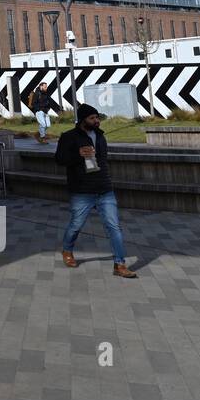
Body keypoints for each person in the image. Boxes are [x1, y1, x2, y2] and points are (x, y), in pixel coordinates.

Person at [56, 103, 137, 278]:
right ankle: (67, 250)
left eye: (97, 117)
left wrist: (106, 180)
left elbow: (103, 160)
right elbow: (60, 159)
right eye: (92, 118)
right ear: (83, 120)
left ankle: (119, 264)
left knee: (114, 226)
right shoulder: (69, 136)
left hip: (104, 189)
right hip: (82, 191)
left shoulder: (100, 136)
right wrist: (78, 154)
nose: (96, 121)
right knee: (76, 225)